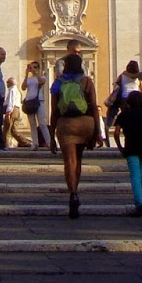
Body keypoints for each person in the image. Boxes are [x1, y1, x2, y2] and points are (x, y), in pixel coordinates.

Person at [50, 52, 100, 218]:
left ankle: (73, 193)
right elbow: (94, 107)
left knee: (69, 161)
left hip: (66, 124)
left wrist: (51, 136)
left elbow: (54, 111)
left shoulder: (58, 83)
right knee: (79, 159)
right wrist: (98, 132)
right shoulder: (87, 82)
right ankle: (76, 187)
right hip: (86, 123)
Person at [116, 91, 142, 216]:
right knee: (141, 171)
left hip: (130, 147)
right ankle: (141, 197)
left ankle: (139, 203)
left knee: (134, 174)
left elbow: (116, 133)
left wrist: (120, 146)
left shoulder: (123, 115)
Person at [22, 61, 49, 149]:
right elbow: (23, 87)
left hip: (39, 101)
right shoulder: (29, 79)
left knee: (42, 123)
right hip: (30, 102)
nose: (33, 69)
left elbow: (41, 82)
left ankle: (49, 142)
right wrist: (26, 74)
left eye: (35, 67)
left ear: (39, 68)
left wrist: (36, 73)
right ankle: (35, 143)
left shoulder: (42, 77)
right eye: (32, 67)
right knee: (32, 124)